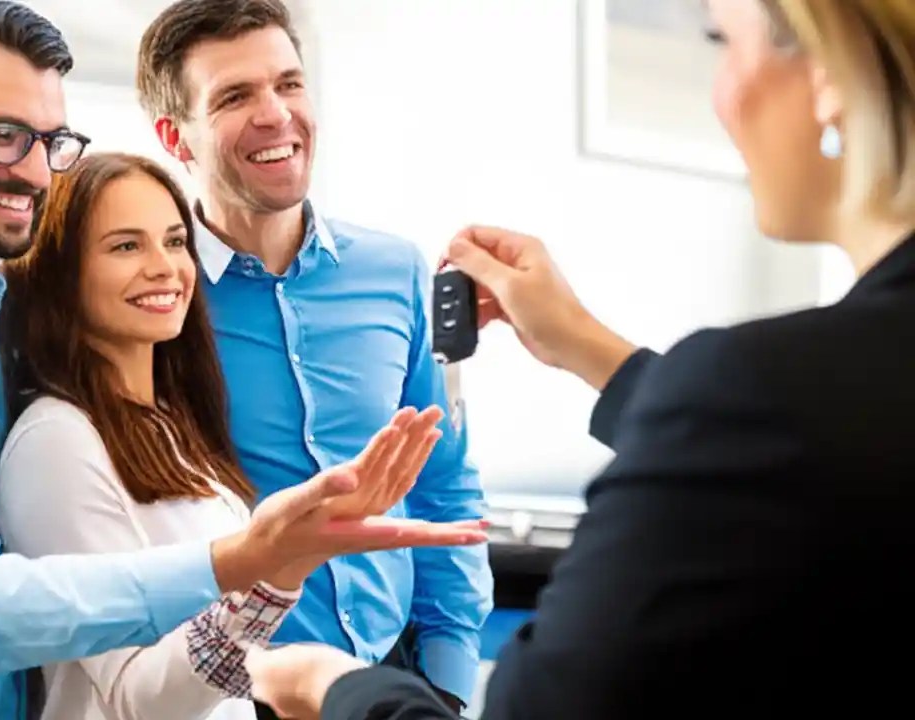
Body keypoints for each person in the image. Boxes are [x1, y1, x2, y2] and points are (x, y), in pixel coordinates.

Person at [0, 2, 488, 718]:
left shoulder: (10, 313)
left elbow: (444, 481)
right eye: (1, 133)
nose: (33, 170)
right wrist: (252, 561)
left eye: (48, 140)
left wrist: (445, 682)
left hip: (373, 677)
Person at [242, 0, 915, 717]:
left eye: (723, 43)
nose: (717, 95)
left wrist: (336, 686)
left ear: (827, 76)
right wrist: (582, 344)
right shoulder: (783, 401)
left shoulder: (747, 397)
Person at [0, 151, 463, 720]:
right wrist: (280, 564)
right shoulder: (56, 445)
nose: (166, 266)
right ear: (58, 276)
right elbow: (138, 698)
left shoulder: (168, 421)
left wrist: (293, 552)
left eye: (173, 241)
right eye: (125, 246)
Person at [133, 2, 494, 715]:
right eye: (235, 97)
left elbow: (445, 485)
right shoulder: (154, 296)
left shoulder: (396, 271)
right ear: (177, 136)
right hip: (238, 692)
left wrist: (446, 682)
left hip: (395, 678)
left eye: (289, 84)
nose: (276, 114)